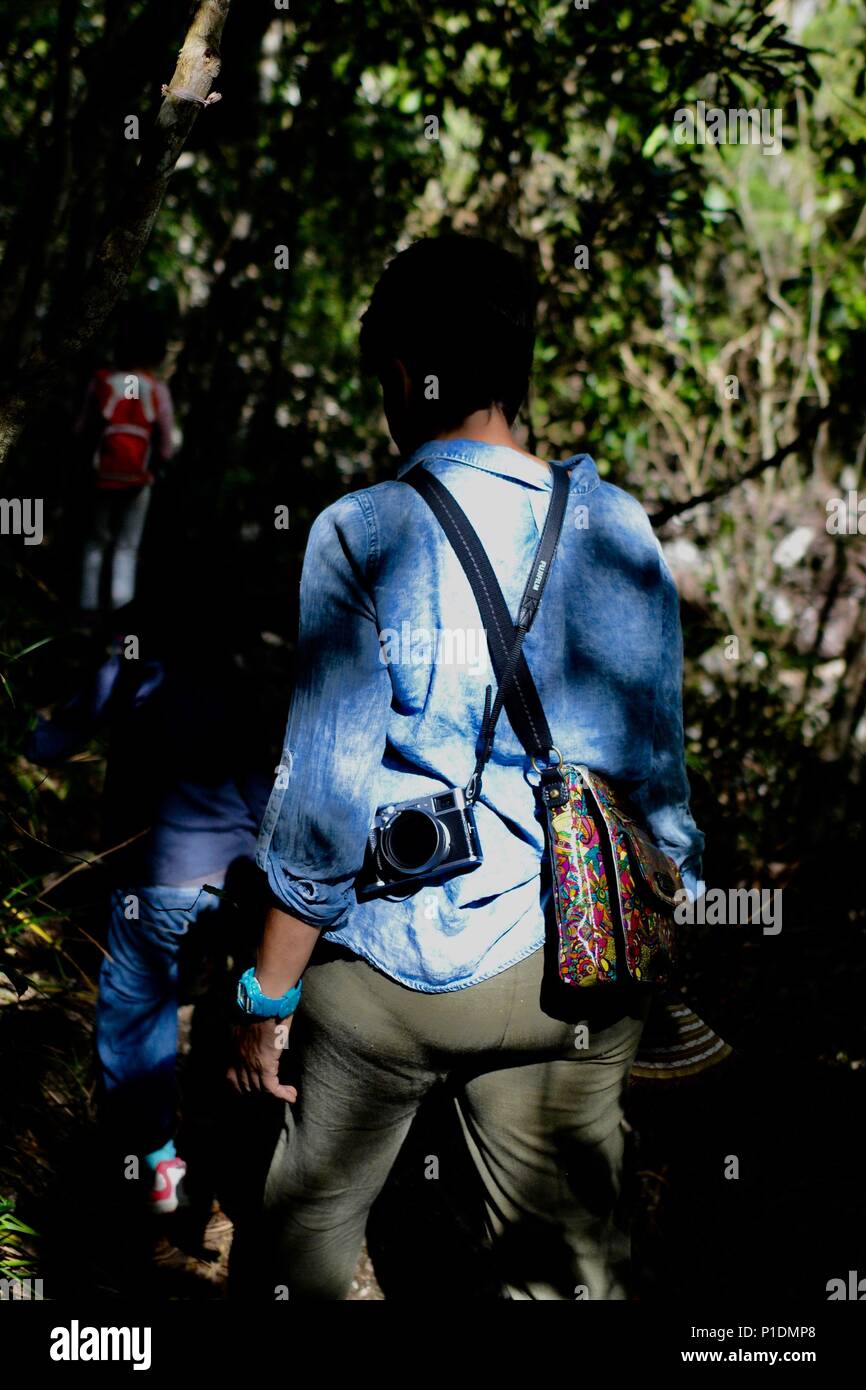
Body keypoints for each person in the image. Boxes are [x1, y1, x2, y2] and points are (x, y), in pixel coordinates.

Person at [229, 235, 706, 1300]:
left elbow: (319, 818)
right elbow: (658, 791)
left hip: (398, 975)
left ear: (401, 375)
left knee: (301, 1221)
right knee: (567, 1261)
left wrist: (265, 1000)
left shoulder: (362, 531)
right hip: (573, 967)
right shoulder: (620, 528)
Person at [27, 574, 270, 1216]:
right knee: (241, 1007)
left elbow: (52, 741)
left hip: (153, 888)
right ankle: (242, 1151)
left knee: (138, 1006)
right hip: (237, 885)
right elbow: (266, 799)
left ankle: (158, 1162)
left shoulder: (130, 672)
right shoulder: (242, 682)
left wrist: (22, 720)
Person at [74, 307, 176, 613]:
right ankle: (121, 618)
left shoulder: (103, 381)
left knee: (95, 541)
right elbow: (167, 446)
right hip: (138, 479)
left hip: (103, 473)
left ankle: (86, 611)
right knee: (127, 547)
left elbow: (80, 428)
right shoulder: (158, 389)